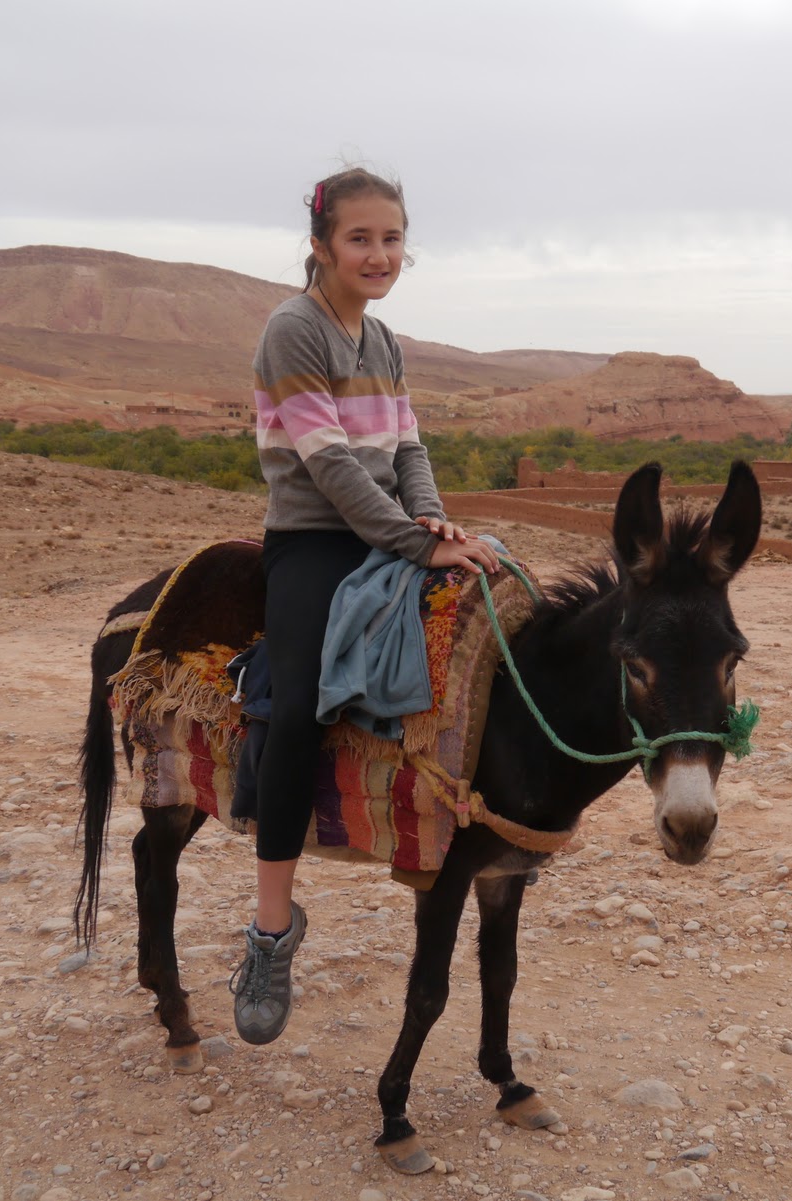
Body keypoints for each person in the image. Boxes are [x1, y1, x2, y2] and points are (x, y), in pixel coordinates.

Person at [232, 166, 500, 1045]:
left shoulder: (383, 339)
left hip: (388, 527)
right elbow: (333, 466)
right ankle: (272, 928)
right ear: (321, 243)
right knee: (302, 702)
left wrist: (434, 515)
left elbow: (408, 446)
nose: (378, 254)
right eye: (359, 238)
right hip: (316, 539)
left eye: (391, 239)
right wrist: (417, 544)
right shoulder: (293, 330)